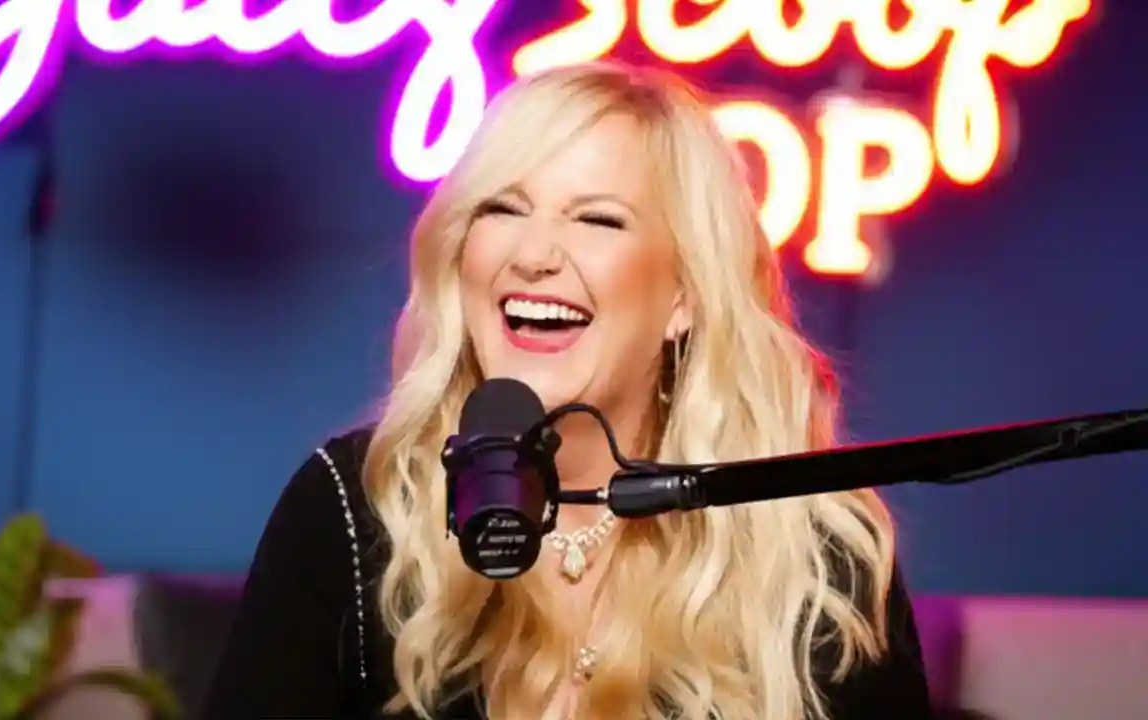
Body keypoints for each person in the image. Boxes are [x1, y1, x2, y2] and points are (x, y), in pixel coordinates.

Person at [201, 61, 933, 720]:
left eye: (596, 218)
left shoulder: (814, 554)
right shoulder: (358, 505)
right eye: (503, 208)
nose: (534, 254)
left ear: (684, 295)